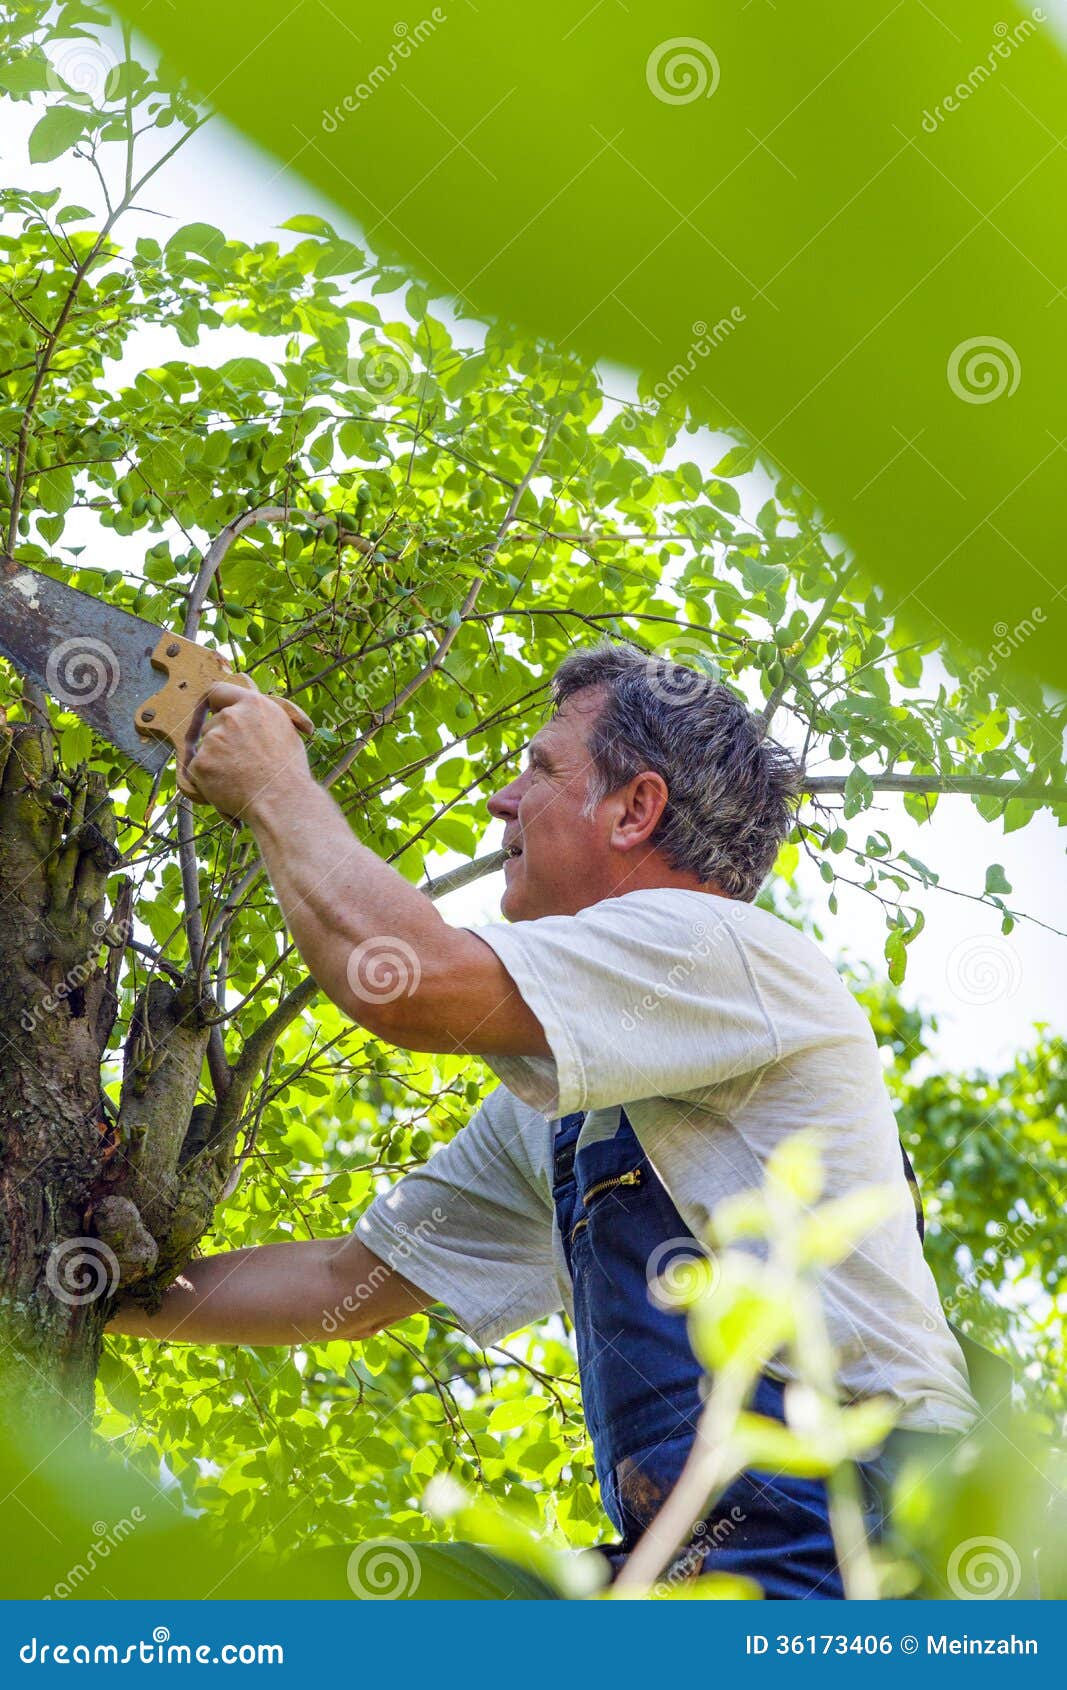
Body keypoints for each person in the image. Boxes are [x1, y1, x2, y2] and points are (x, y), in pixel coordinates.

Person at [108, 642, 976, 1597]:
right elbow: (340, 1284)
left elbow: (405, 981)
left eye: (541, 768)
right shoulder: (565, 1109)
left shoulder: (722, 950)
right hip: (698, 1571)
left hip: (859, 1543)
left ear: (635, 809)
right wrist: (82, 1294)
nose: (501, 801)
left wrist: (276, 785)